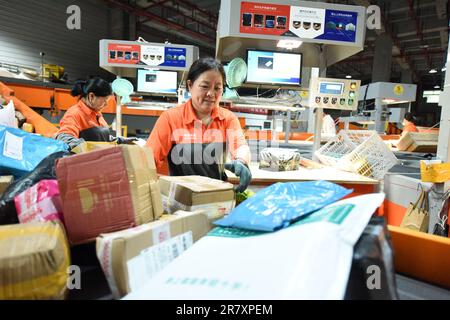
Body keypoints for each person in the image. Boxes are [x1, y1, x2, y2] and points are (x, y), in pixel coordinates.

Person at [146, 57, 252, 192]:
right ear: (190, 85)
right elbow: (148, 160)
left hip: (216, 197)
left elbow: (240, 146)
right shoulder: (170, 118)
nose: (211, 93)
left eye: (217, 88)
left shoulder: (228, 119)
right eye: (204, 86)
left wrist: (242, 161)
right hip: (180, 199)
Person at [54, 77, 134, 149]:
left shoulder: (97, 114)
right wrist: (89, 148)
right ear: (91, 96)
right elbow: (64, 138)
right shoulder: (74, 113)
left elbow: (101, 138)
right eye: (105, 100)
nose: (106, 104)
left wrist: (121, 140)